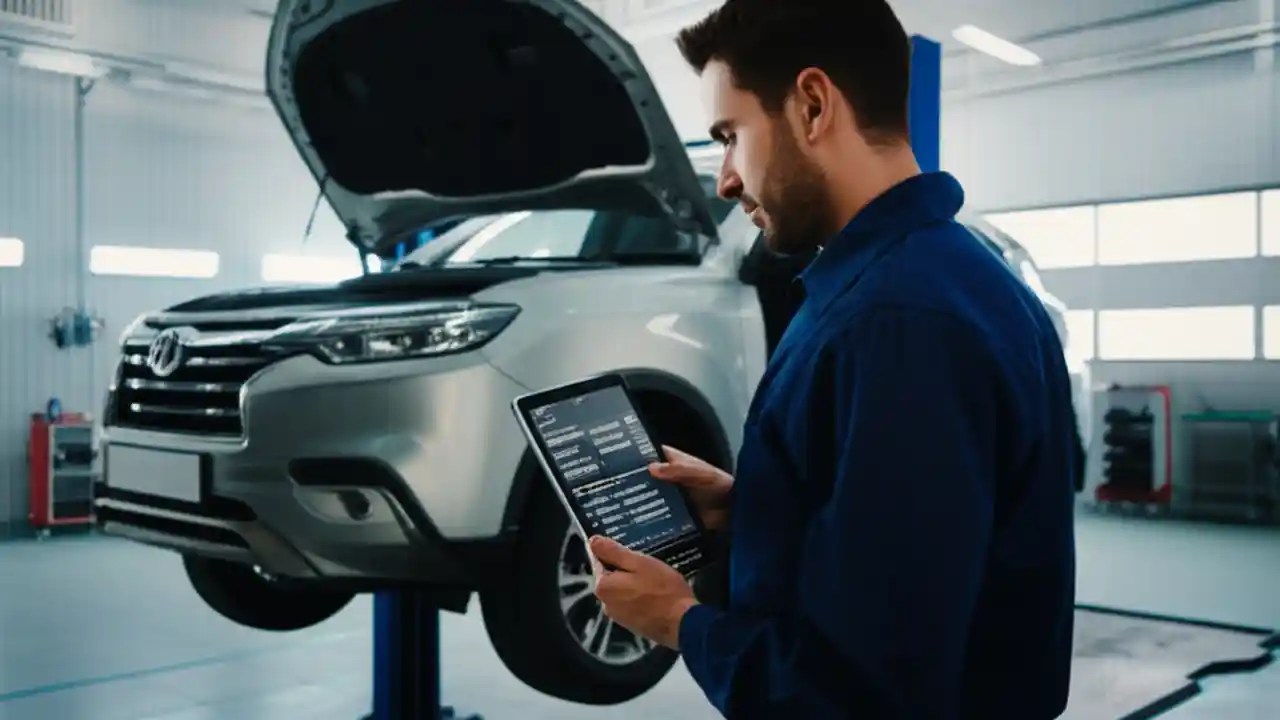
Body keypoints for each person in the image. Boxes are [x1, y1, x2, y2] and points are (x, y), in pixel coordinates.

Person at [586, 0, 1078, 718]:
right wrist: (752, 507)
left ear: (813, 105)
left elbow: (866, 690)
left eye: (730, 136)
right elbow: (902, 553)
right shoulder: (929, 280)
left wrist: (681, 623)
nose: (724, 178)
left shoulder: (899, 322)